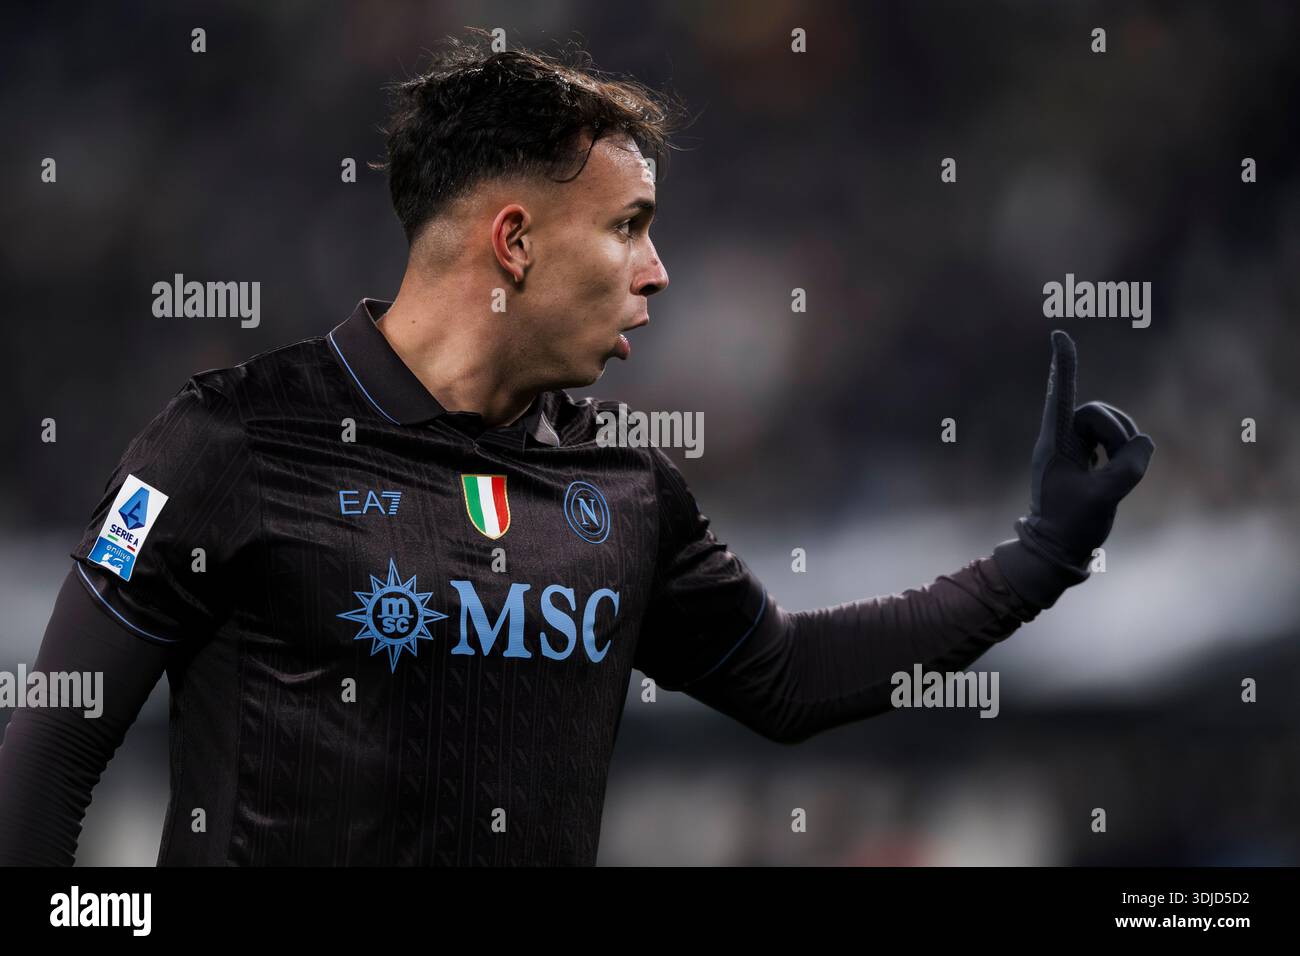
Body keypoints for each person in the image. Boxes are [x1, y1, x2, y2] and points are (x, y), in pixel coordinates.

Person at [0, 34, 1153, 866]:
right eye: (629, 227)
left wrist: (1040, 556)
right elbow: (46, 758)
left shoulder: (628, 491)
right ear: (513, 242)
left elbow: (792, 680)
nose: (657, 272)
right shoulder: (227, 441)